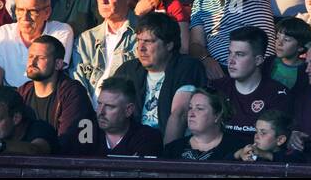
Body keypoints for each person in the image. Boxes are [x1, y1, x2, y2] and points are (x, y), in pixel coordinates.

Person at [111, 12, 207, 145]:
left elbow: (179, 114)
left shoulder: (187, 67)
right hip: (130, 147)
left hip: (168, 147)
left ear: (169, 45)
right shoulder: (127, 70)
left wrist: (166, 156)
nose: (141, 48)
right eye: (139, 40)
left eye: (149, 41)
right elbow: (111, 110)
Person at [210, 26, 293, 146]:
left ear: (258, 60)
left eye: (239, 54)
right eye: (230, 53)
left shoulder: (278, 95)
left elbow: (274, 145)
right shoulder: (215, 88)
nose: (231, 60)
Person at [18, 34, 96, 156]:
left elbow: (69, 142)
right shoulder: (23, 92)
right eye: (31, 56)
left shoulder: (73, 93)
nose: (32, 62)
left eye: (41, 58)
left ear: (58, 64)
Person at [0, 0, 75, 88]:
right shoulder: (3, 33)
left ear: (47, 12)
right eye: (20, 10)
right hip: (7, 96)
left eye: (32, 11)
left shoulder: (61, 31)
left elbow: (50, 79)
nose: (25, 17)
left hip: (44, 96)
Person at [73, 0, 137, 105]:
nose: (103, 0)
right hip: (88, 111)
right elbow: (77, 83)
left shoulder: (142, 36)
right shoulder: (86, 39)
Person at [91, 77, 163, 158]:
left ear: (129, 110)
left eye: (110, 106)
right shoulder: (86, 133)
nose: (101, 112)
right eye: (99, 104)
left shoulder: (148, 138)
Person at [161, 88, 240, 161]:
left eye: (199, 108)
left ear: (217, 115)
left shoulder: (237, 148)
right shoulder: (172, 149)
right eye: (190, 108)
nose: (191, 114)